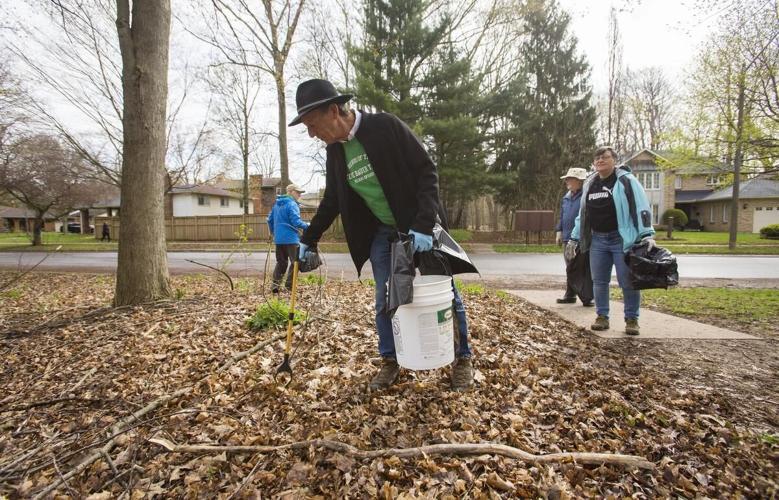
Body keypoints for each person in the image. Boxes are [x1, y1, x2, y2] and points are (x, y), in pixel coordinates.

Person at [289, 78, 473, 391]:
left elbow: (427, 171)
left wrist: (425, 224)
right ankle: (390, 361)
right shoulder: (336, 152)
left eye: (313, 124)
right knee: (384, 299)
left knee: (444, 293)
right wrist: (310, 238)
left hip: (419, 227)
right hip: (382, 233)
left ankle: (462, 359)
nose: (312, 133)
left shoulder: (385, 127)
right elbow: (333, 200)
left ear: (334, 111)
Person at [568, 146, 656, 335]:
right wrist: (574, 238)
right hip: (597, 240)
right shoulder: (590, 183)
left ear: (614, 160)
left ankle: (632, 319)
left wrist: (646, 234)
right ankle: (602, 316)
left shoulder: (626, 180)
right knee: (599, 281)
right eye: (597, 158)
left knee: (628, 281)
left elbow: (641, 207)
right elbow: (583, 215)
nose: (600, 160)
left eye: (605, 157)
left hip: (621, 239)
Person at [555, 167, 592, 306]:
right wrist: (559, 231)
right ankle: (570, 294)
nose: (566, 181)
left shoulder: (585, 196)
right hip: (566, 237)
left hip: (582, 238)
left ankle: (587, 296)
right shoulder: (566, 197)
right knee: (570, 267)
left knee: (583, 268)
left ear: (579, 181)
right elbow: (562, 215)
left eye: (569, 179)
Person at [267, 183, 309, 293]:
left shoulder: (276, 204)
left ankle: (275, 286)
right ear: (290, 192)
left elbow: (269, 220)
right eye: (298, 192)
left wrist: (272, 233)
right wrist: (308, 226)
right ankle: (289, 286)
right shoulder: (292, 204)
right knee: (296, 262)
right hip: (291, 239)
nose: (299, 195)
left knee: (281, 262)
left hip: (279, 240)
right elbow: (296, 221)